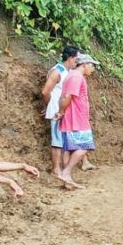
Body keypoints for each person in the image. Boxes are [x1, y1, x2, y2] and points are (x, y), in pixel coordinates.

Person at [55, 52, 100, 189]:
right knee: (85, 146)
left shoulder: (73, 75)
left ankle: (67, 181)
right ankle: (66, 172)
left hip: (73, 117)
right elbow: (67, 96)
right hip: (76, 119)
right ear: (85, 64)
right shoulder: (76, 77)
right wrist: (61, 111)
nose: (93, 69)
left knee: (68, 149)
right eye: (92, 66)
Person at [40, 45, 80, 177]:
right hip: (57, 111)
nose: (77, 61)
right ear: (69, 58)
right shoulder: (57, 71)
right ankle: (56, 169)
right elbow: (45, 91)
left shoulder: (68, 72)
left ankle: (62, 169)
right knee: (57, 141)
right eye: (76, 59)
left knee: (62, 141)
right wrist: (48, 106)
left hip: (63, 111)